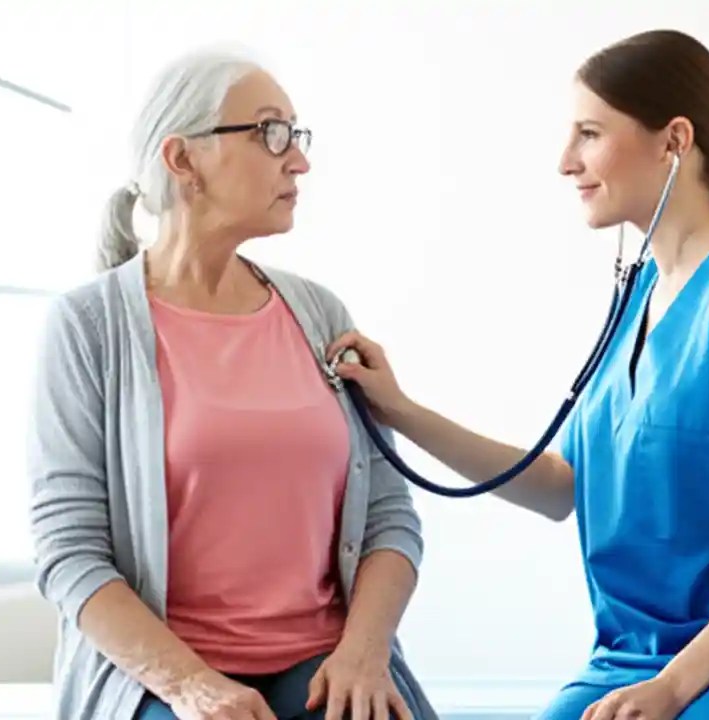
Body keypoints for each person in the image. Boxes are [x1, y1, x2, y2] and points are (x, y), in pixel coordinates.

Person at [329, 30, 709, 720]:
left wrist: (675, 687)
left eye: (589, 134)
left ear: (673, 140)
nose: (566, 162)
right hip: (637, 657)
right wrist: (400, 410)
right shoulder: (641, 294)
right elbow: (563, 487)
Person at [27, 49, 437, 720]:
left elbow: (391, 518)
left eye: (296, 136)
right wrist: (192, 686)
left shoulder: (319, 315)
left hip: (324, 659)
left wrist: (365, 653)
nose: (298, 160)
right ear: (183, 160)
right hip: (161, 673)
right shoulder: (87, 326)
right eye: (271, 132)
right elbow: (69, 554)